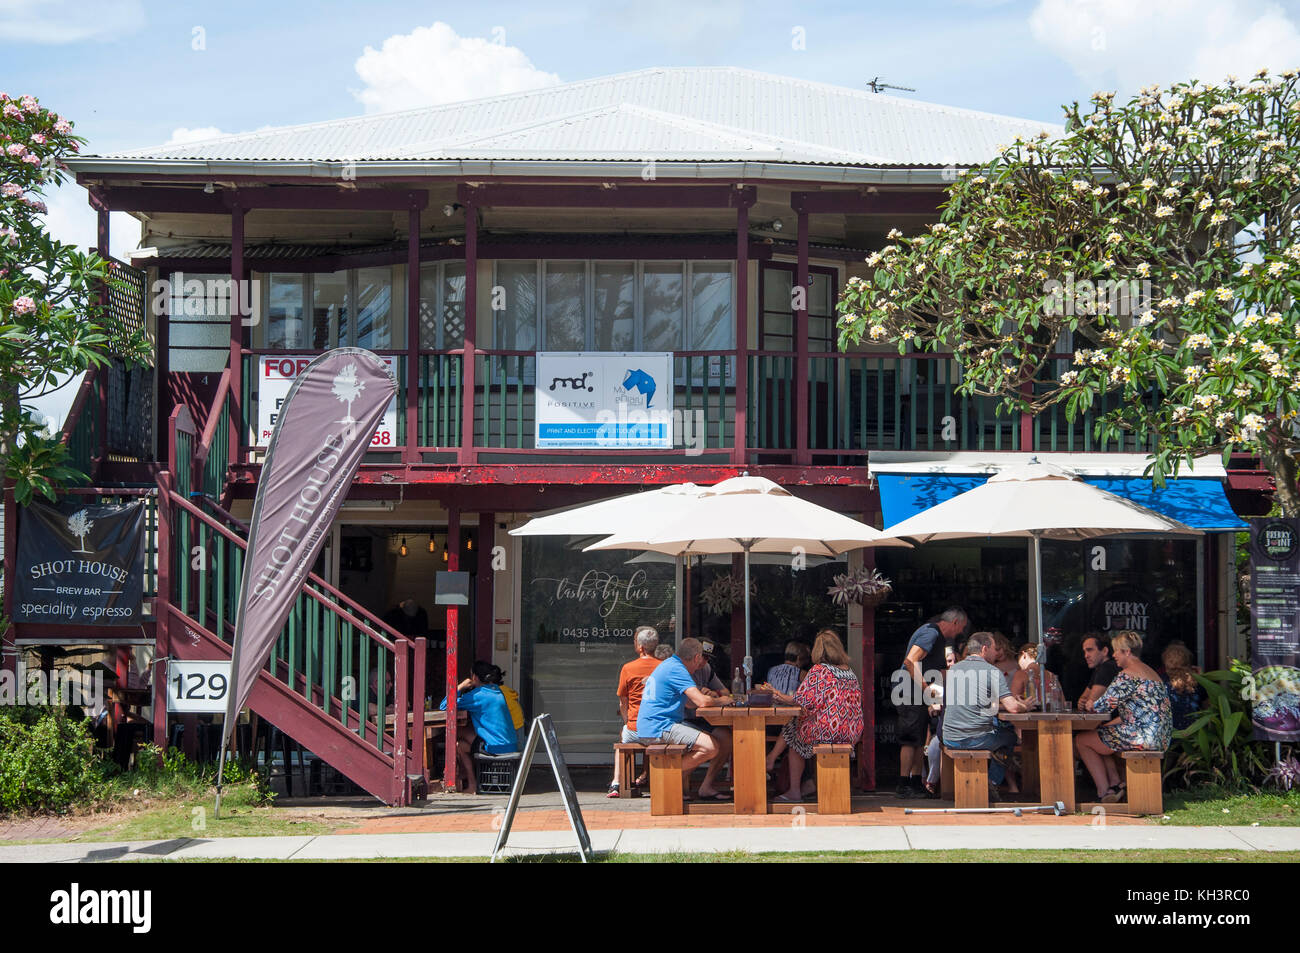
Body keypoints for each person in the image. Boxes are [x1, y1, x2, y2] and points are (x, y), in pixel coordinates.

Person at [1074, 630, 1173, 802]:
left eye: (1116, 651)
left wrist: (1090, 704)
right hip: (1161, 736)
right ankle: (1116, 785)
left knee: (1082, 740)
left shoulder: (1127, 675)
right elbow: (1140, 712)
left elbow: (1101, 706)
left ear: (1127, 652)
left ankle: (1104, 792)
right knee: (1101, 735)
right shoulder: (1152, 673)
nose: (1113, 655)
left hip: (1141, 737)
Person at [634, 637, 733, 800]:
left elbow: (689, 703)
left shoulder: (670, 665)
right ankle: (666, 777)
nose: (701, 664)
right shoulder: (677, 669)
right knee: (710, 746)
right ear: (696, 658)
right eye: (701, 659)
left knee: (715, 741)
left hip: (653, 725)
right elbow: (701, 702)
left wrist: (707, 698)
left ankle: (672, 782)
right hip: (659, 726)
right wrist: (722, 700)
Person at [775, 629, 864, 802]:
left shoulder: (820, 670)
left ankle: (794, 790)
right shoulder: (849, 671)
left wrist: (777, 695)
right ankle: (810, 783)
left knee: (793, 732)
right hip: (852, 731)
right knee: (798, 730)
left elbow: (801, 700)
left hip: (831, 730)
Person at [942, 631, 1028, 798]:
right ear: (984, 649)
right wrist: (1024, 706)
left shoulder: (954, 670)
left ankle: (988, 783)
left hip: (949, 736)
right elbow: (1014, 709)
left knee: (997, 731)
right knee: (1010, 737)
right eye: (994, 649)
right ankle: (993, 782)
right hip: (975, 738)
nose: (996, 653)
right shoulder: (992, 671)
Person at [895, 606, 968, 798]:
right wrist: (926, 688)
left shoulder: (938, 638)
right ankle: (903, 785)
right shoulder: (931, 633)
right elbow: (911, 661)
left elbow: (937, 669)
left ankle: (916, 782)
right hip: (910, 692)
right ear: (955, 622)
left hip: (918, 694)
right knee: (911, 739)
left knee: (920, 739)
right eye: (961, 627)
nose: (961, 632)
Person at [440, 660, 519, 795]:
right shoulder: (497, 691)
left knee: (458, 739)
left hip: (495, 747)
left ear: (475, 677)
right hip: (511, 744)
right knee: (461, 742)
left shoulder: (477, 695)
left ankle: (470, 784)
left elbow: (444, 706)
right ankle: (465, 777)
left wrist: (461, 686)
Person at [609, 626, 662, 797]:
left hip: (635, 729)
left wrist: (628, 721)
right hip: (659, 730)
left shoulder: (628, 668)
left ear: (641, 647)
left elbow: (623, 702)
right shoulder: (664, 668)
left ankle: (616, 783)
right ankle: (654, 779)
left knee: (623, 736)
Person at [758, 640, 811, 776]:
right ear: (799, 659)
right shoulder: (802, 674)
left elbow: (763, 688)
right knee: (797, 724)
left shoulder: (771, 670)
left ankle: (771, 759)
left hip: (767, 722)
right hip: (787, 721)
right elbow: (805, 699)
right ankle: (773, 760)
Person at [921, 643, 958, 797]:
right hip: (937, 731)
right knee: (932, 746)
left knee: (936, 746)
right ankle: (929, 783)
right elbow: (929, 713)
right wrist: (932, 706)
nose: (951, 665)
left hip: (956, 730)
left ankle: (932, 783)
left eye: (953, 661)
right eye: (947, 662)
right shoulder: (934, 687)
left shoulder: (963, 683)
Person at [1160, 641, 1205, 731]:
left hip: (1169, 732)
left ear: (1166, 661)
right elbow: (1206, 705)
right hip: (1193, 732)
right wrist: (1203, 678)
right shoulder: (1196, 682)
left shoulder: (1161, 681)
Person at [1009, 643, 1063, 707]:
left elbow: (1013, 703)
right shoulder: (1051, 675)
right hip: (1051, 715)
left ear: (1024, 655)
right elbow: (1062, 702)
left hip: (1029, 715)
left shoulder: (1021, 674)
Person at [1076, 632, 1119, 711]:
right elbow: (1083, 700)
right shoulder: (1099, 669)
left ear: (1104, 651)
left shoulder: (1107, 668)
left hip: (1113, 721)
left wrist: (1086, 703)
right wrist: (1084, 702)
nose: (1086, 655)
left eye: (1090, 650)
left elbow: (1091, 705)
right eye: (1084, 651)